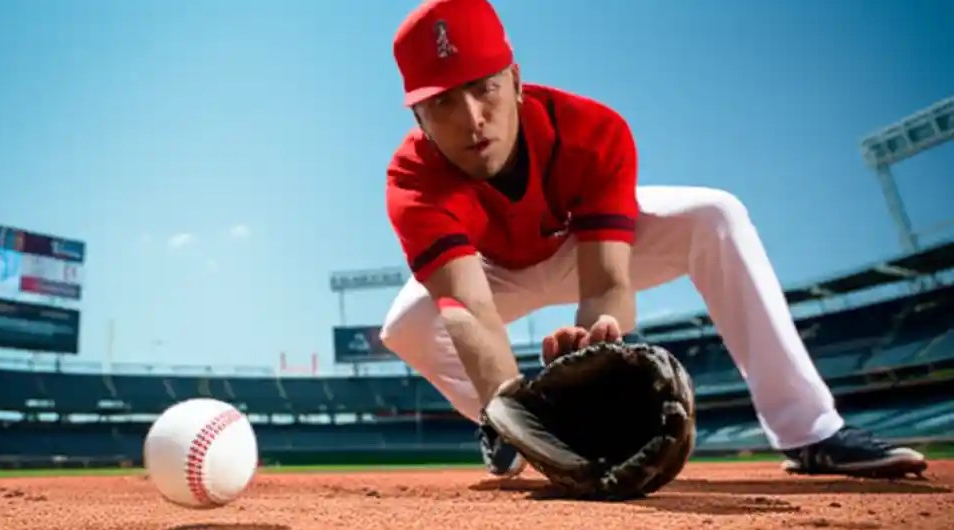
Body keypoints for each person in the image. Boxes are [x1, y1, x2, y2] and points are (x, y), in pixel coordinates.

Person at [379, 0, 928, 480]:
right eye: (444, 102)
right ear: (419, 119)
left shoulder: (592, 131)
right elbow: (471, 308)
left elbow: (608, 280)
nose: (473, 117)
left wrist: (597, 361)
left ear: (517, 81)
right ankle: (504, 424)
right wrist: (513, 410)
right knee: (405, 326)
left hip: (578, 247)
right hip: (488, 273)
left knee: (715, 214)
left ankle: (810, 431)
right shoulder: (410, 179)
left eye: (484, 87)